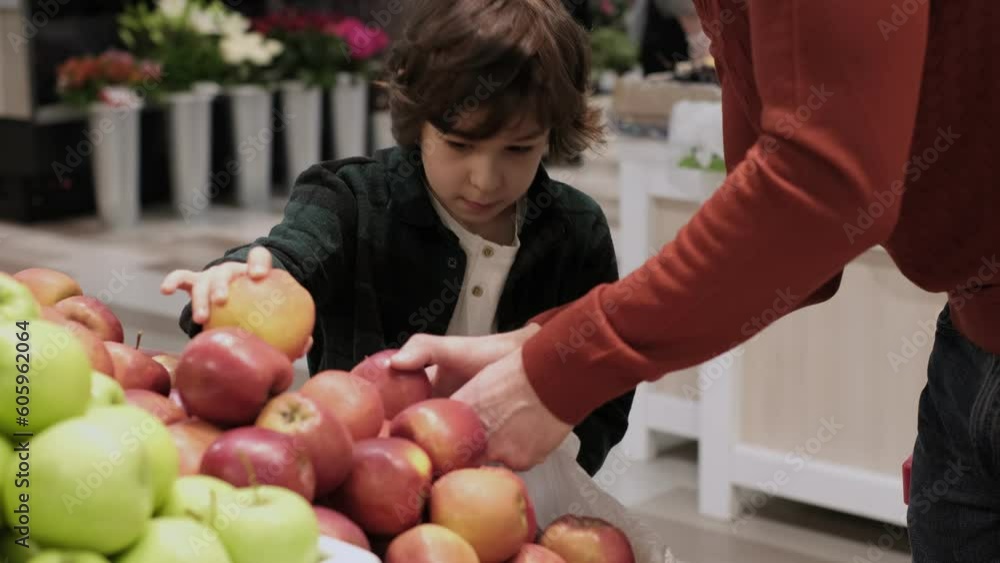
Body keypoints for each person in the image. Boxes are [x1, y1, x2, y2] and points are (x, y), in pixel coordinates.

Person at [387, 1, 1000, 561]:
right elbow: (792, 233)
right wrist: (540, 347)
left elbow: (822, 189)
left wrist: (558, 372)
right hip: (970, 351)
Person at [160, 0, 633, 478]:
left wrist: (553, 460)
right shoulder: (352, 199)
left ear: (553, 133)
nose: (485, 180)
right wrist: (238, 279)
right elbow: (294, 251)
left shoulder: (577, 230)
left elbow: (606, 385)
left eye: (518, 149)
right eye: (459, 145)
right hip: (362, 478)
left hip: (513, 491)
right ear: (417, 118)